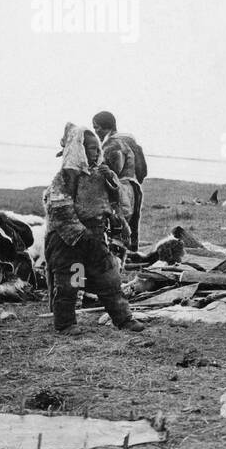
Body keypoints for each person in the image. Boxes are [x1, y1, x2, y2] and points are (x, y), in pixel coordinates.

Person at [43, 122, 141, 333]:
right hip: (68, 240)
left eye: (98, 148)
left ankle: (124, 319)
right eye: (92, 148)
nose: (97, 152)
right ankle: (66, 323)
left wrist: (110, 179)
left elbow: (115, 201)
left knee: (109, 278)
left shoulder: (100, 175)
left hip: (95, 236)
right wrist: (78, 232)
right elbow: (59, 206)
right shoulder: (65, 177)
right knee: (70, 281)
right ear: (79, 150)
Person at [92, 111, 148, 251]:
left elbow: (115, 170)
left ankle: (115, 262)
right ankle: (128, 256)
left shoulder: (112, 144)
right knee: (130, 228)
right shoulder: (129, 142)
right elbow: (142, 172)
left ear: (105, 127)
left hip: (120, 189)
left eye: (96, 127)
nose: (95, 131)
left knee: (117, 228)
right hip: (133, 187)